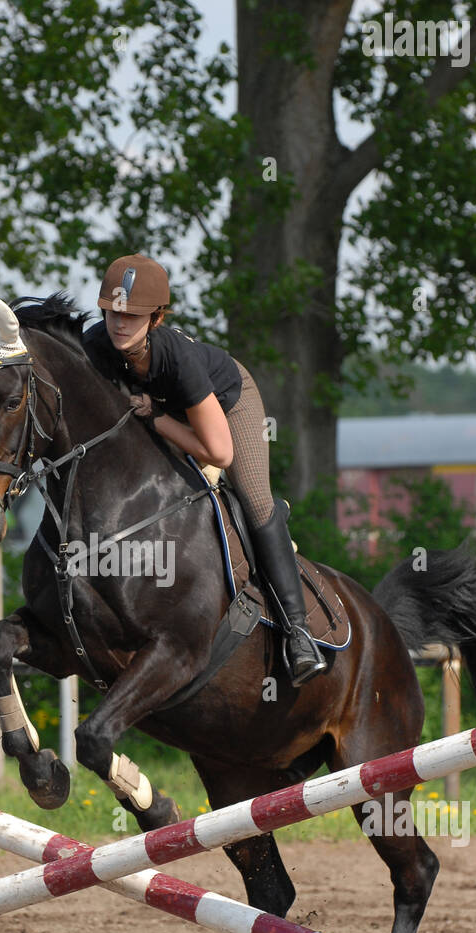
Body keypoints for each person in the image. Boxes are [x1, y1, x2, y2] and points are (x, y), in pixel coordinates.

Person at [83, 253, 327, 686]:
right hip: (164, 413)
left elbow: (219, 453)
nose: (119, 323)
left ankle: (298, 632)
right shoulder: (97, 346)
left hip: (227, 407)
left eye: (132, 315)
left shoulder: (177, 359)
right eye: (112, 311)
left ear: (155, 318)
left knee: (252, 498)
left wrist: (155, 418)